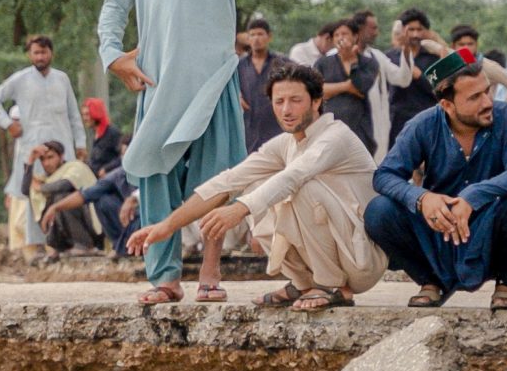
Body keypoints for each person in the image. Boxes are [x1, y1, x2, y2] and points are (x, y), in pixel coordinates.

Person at [98, 0, 264, 306]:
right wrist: (114, 56)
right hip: (158, 79)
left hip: (213, 79)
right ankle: (164, 278)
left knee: (219, 177)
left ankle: (209, 273)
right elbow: (114, 7)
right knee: (153, 171)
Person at [128, 58, 381, 311]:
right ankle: (304, 283)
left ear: (316, 102)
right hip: (338, 253)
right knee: (251, 186)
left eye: (296, 100)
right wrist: (167, 226)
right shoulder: (286, 143)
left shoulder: (335, 136)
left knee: (298, 186)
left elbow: (293, 176)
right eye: (279, 102)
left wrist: (238, 209)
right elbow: (228, 180)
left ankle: (329, 285)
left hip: (360, 257)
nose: (286, 110)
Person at [365, 50, 507, 312]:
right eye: (474, 97)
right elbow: (384, 175)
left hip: (493, 226)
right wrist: (421, 198)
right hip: (439, 230)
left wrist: (473, 196)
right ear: (448, 106)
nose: (487, 102)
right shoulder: (423, 125)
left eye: (487, 91)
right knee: (378, 211)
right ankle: (430, 282)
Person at [0, 36, 88, 250]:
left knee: (65, 190)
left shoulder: (62, 79)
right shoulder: (20, 79)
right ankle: (39, 246)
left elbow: (73, 114)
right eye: (36, 53)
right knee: (35, 192)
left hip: (63, 146)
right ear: (29, 55)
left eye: (44, 52)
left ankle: (70, 243)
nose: (40, 57)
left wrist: (80, 143)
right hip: (33, 146)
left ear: (51, 53)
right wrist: (8, 124)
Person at [377, 9, 452, 152]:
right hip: (397, 121)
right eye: (411, 29)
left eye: (419, 29)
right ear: (403, 30)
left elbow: (439, 89)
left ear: (426, 32)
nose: (415, 34)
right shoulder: (390, 56)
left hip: (426, 117)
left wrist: (419, 76)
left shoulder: (433, 58)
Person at [313, 16, 381, 152]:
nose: (340, 38)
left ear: (355, 37)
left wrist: (351, 60)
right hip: (328, 128)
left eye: (344, 34)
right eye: (336, 35)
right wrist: (346, 87)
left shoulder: (368, 63)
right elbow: (316, 91)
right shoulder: (323, 63)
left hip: (359, 129)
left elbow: (361, 86)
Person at [25, 140, 102, 255]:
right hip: (61, 232)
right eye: (43, 159)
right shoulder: (45, 179)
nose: (46, 163)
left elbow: (65, 184)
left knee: (62, 198)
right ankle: (63, 246)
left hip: (92, 224)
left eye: (50, 157)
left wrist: (41, 188)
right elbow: (26, 190)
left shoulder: (75, 167)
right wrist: (30, 161)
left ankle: (84, 244)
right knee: (48, 200)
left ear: (61, 156)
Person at [40, 165, 136, 257]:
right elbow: (86, 194)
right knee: (102, 199)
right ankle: (122, 247)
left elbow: (65, 184)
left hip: (146, 224)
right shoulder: (119, 174)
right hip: (128, 224)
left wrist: (134, 198)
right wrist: (54, 208)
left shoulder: (75, 166)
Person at [234, 17, 282, 155]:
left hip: (275, 126)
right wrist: (236, 95)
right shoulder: (238, 65)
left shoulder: (282, 63)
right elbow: (225, 88)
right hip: (247, 127)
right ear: (247, 38)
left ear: (269, 37)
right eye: (252, 35)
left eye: (260, 34)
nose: (256, 39)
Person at [84, 97, 124, 176]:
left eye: (87, 114)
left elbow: (123, 157)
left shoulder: (112, 133)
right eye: (83, 115)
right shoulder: (95, 134)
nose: (84, 118)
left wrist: (106, 169)